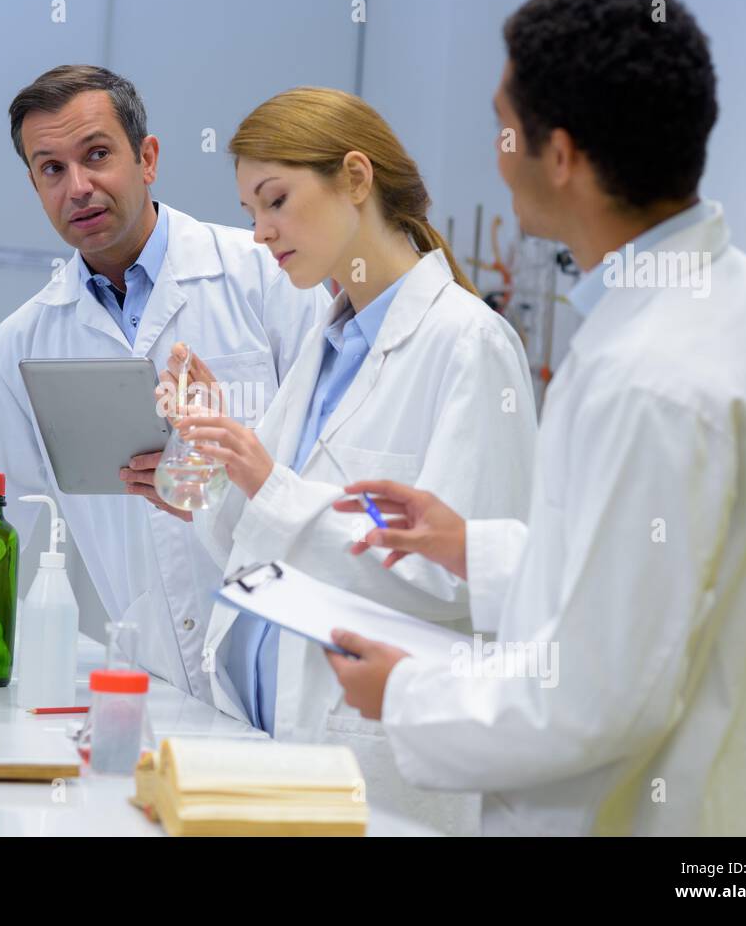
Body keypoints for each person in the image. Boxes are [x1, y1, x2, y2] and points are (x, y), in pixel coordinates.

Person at [325, 0, 746, 835]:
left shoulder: (654, 370)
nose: (496, 151)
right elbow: (641, 580)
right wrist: (472, 546)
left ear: (562, 156)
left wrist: (401, 692)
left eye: (506, 125)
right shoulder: (732, 297)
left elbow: (592, 695)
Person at [150, 87, 537, 829]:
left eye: (275, 200)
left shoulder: (468, 344)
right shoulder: (324, 348)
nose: (260, 232)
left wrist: (270, 482)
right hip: (268, 748)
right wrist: (212, 448)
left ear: (356, 179)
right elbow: (251, 551)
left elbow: (462, 576)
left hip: (377, 767)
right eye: (249, 213)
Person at [0, 66, 326, 701]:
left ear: (147, 158)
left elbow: (331, 467)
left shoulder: (267, 280)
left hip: (290, 663)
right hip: (161, 684)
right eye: (51, 169)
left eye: (96, 155)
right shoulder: (25, 342)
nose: (79, 187)